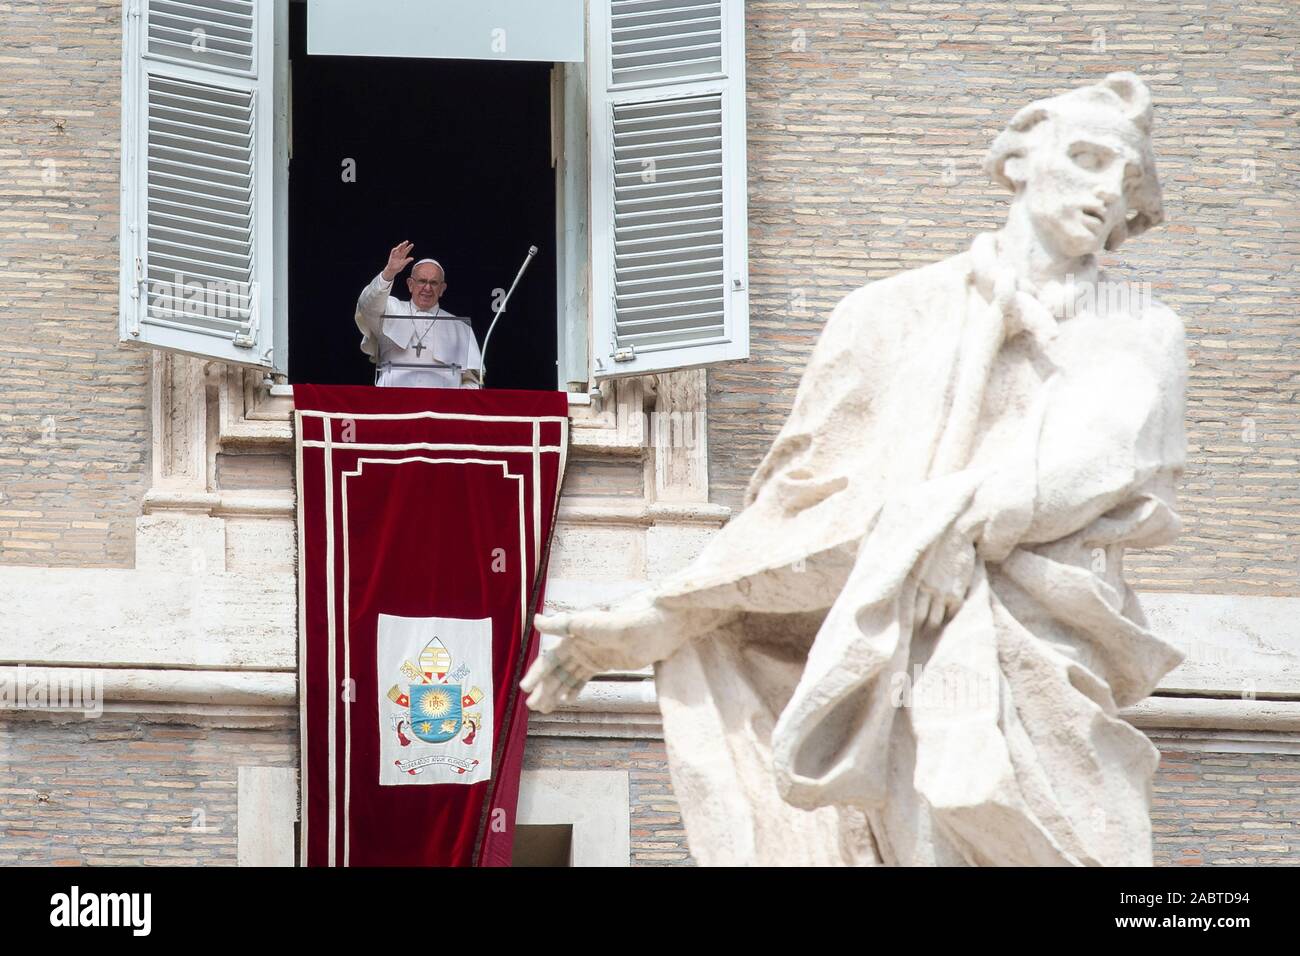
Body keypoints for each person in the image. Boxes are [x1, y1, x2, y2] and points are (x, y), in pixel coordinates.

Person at [522, 73, 1187, 866]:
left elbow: (1097, 458)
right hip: (892, 664)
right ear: (1017, 162)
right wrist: (674, 611)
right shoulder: (884, 316)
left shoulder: (1137, 329)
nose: (1109, 190)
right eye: (1086, 158)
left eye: (1130, 180)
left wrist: (952, 526)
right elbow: (802, 504)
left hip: (1043, 658)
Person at [355, 241, 482, 388]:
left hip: (441, 407)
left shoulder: (459, 327)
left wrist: (454, 404)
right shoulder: (390, 309)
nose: (427, 288)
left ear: (442, 289)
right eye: (422, 281)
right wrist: (388, 273)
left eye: (434, 283)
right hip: (392, 401)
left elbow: (472, 381)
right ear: (410, 284)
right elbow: (366, 305)